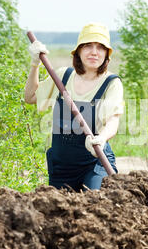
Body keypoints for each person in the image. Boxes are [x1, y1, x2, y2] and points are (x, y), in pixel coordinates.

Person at [24, 23, 124, 192]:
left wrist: (102, 138)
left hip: (94, 163)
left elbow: (113, 120)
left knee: (94, 203)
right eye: (88, 46)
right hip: (62, 166)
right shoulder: (63, 76)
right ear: (78, 51)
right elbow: (30, 97)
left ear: (107, 54)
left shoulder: (111, 83)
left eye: (100, 48)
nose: (94, 52)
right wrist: (35, 65)